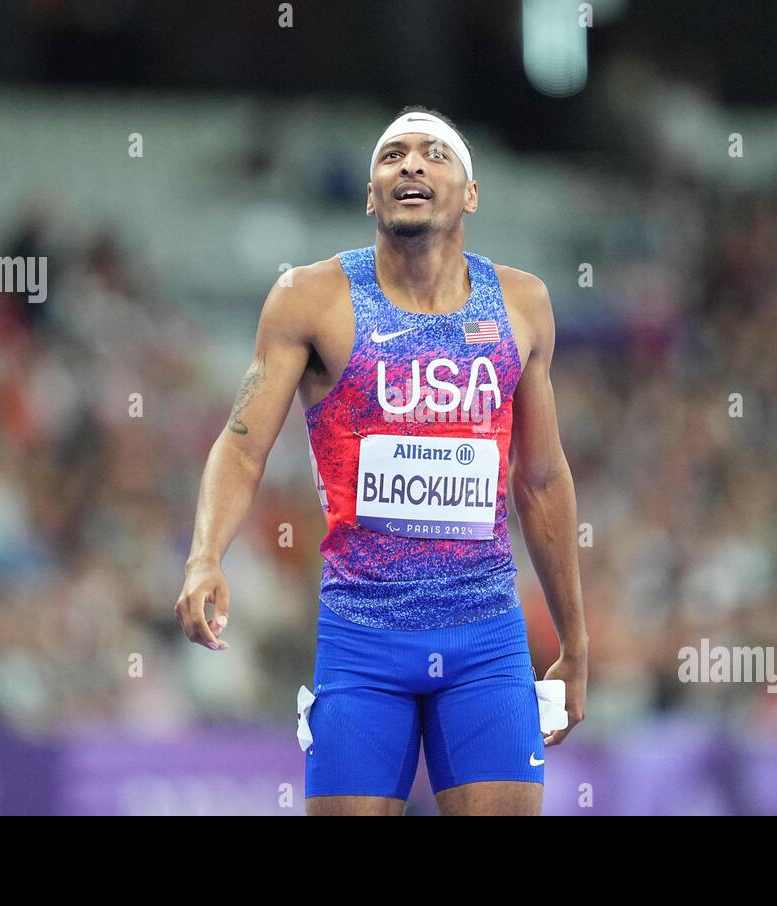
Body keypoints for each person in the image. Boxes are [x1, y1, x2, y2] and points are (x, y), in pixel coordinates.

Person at [176, 106, 588, 815]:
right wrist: (204, 556)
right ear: (371, 195)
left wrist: (574, 639)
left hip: (486, 639)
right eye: (393, 155)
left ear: (471, 193)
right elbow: (241, 446)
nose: (411, 164)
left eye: (434, 153)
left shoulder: (522, 304)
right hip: (362, 641)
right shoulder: (311, 299)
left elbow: (542, 480)